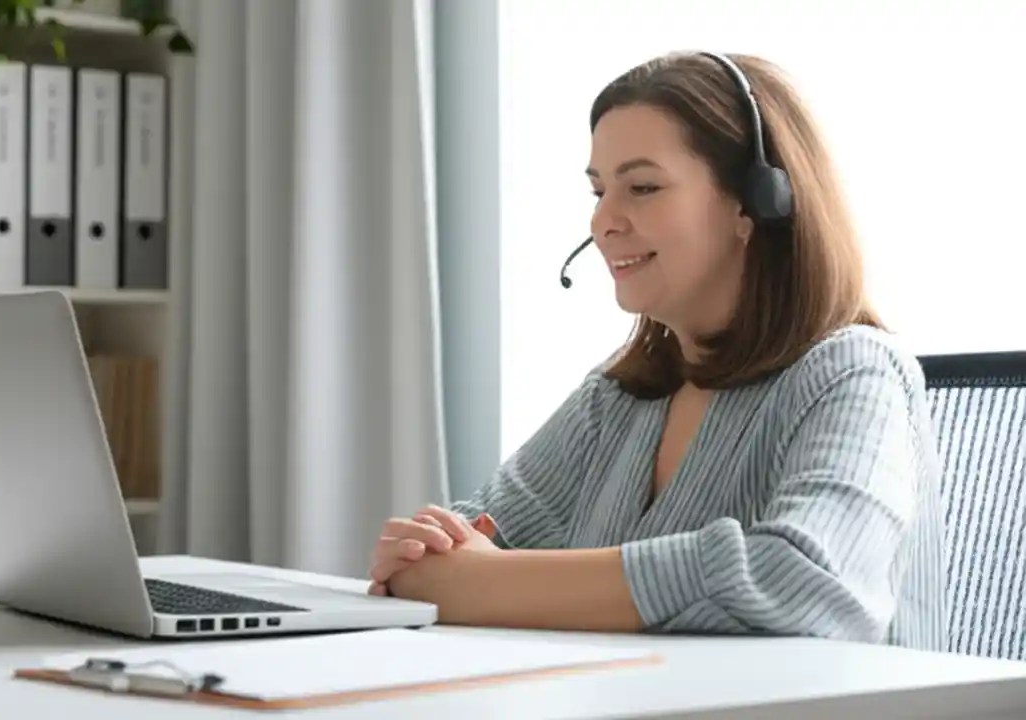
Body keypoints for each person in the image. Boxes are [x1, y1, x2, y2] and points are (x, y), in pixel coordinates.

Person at [367, 50, 948, 651]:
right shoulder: (619, 397)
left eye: (642, 187)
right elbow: (465, 541)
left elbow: (807, 584)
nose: (604, 222)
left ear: (755, 203)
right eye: (599, 191)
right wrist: (447, 563)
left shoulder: (852, 373)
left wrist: (482, 581)